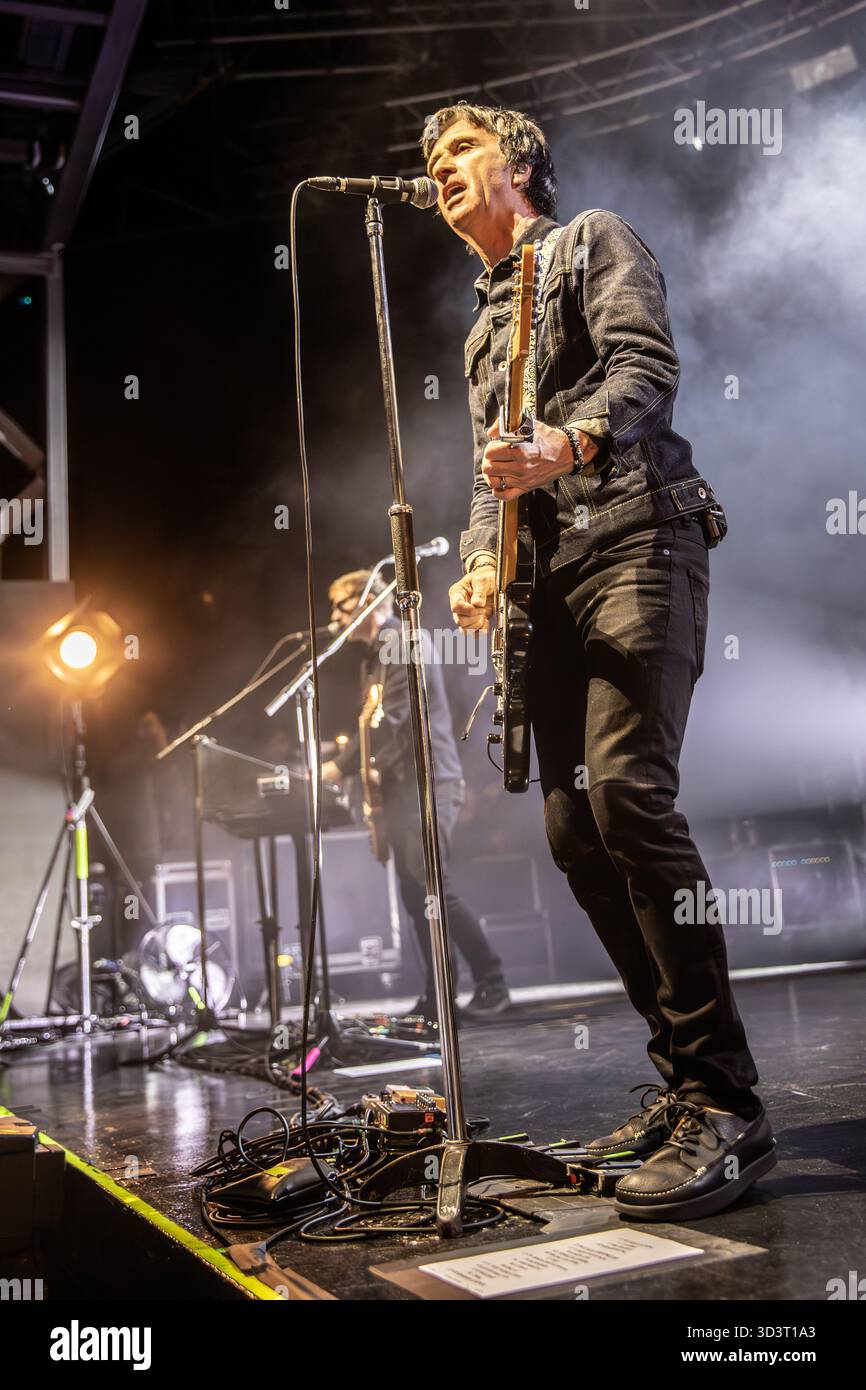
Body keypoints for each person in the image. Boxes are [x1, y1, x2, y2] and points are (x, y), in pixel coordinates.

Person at [423, 101, 775, 1220]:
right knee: (574, 830)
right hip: (549, 584)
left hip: (636, 536)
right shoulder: (481, 329)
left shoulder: (590, 242)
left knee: (627, 793)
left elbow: (642, 367)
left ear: (516, 164)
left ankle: (725, 1100)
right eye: (427, 160)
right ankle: (680, 1085)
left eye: (457, 151)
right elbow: (489, 477)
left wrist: (563, 442)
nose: (437, 169)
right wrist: (482, 560)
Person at [320, 567, 509, 1023]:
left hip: (431, 782)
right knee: (413, 895)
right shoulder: (373, 658)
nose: (333, 617)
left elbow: (399, 720)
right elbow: (375, 724)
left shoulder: (402, 640)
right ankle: (438, 992)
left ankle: (492, 982)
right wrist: (342, 752)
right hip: (402, 789)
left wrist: (338, 767)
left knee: (433, 888)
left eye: (340, 607)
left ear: (368, 603)